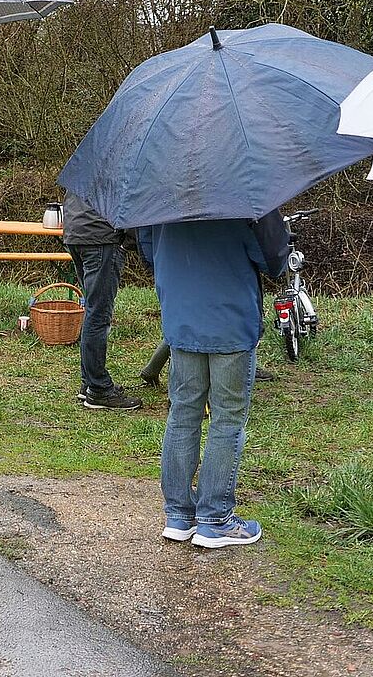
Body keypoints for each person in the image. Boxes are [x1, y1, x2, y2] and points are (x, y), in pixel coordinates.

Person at [147, 210, 288, 548]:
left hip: (181, 318)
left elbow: (148, 249)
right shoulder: (246, 196)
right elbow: (274, 260)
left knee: (182, 414)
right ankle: (215, 519)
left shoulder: (159, 193)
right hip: (229, 321)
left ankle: (179, 515)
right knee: (226, 419)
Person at [64, 194, 142, 410]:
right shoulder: (120, 163)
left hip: (76, 233)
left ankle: (88, 383)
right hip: (101, 237)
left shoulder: (88, 161)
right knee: (98, 315)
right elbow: (131, 201)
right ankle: (99, 390)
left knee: (92, 310)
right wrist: (129, 242)